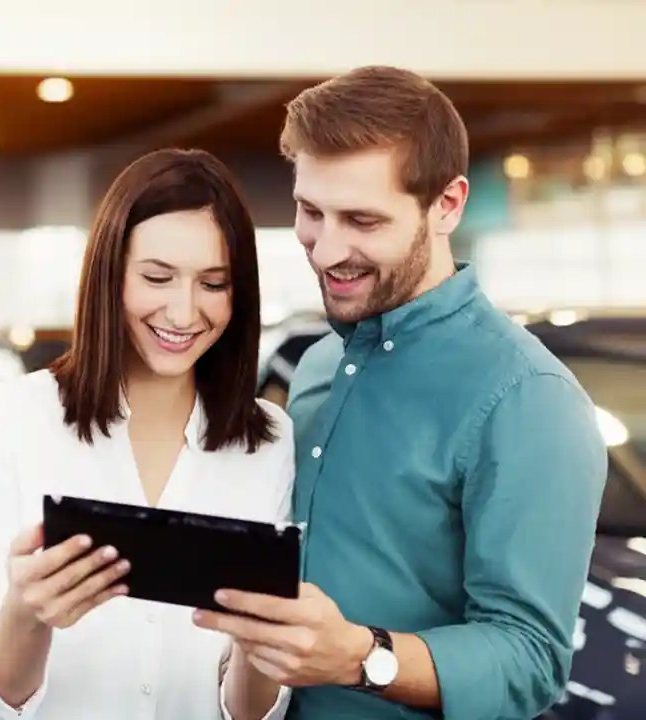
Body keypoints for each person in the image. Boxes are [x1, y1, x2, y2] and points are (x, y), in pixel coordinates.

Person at [192, 65, 608, 719]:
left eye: (362, 220)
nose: (327, 250)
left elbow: (530, 661)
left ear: (447, 205)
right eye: (310, 212)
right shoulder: (319, 364)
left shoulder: (531, 399)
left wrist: (359, 656)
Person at [0, 148, 295, 720]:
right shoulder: (10, 418)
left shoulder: (268, 440)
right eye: (158, 277)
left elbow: (251, 714)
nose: (184, 312)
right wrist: (26, 613)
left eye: (213, 283)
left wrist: (258, 637)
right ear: (111, 273)